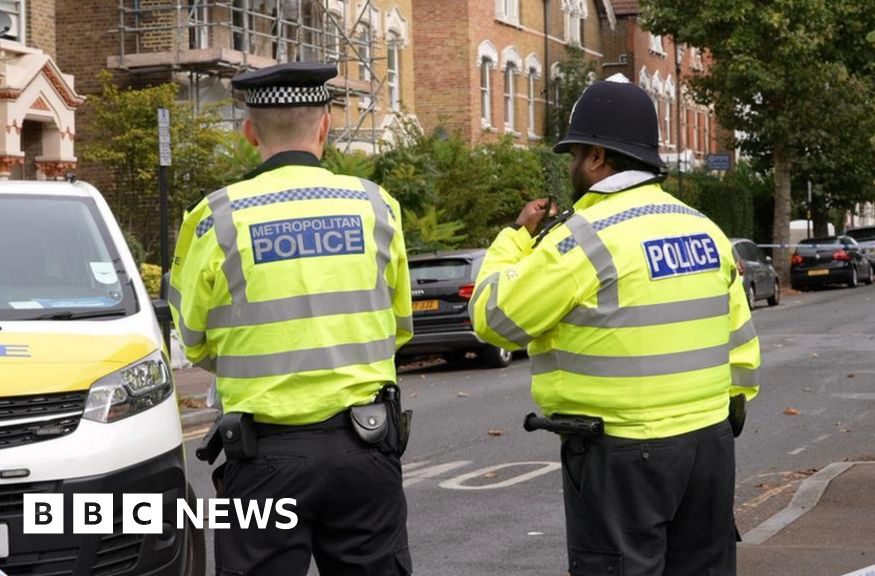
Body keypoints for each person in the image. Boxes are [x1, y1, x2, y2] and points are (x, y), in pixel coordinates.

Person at [470, 79, 761, 576]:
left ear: (598, 156)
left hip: (622, 451)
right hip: (709, 442)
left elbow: (493, 318)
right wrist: (727, 408)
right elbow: (739, 337)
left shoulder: (585, 239)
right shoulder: (704, 228)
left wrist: (515, 237)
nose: (572, 166)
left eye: (575, 154)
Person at [169, 62, 414, 576]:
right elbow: (397, 325)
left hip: (263, 459)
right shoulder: (377, 206)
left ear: (249, 132)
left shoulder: (215, 217)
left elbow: (193, 339)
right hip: (365, 447)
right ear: (326, 126)